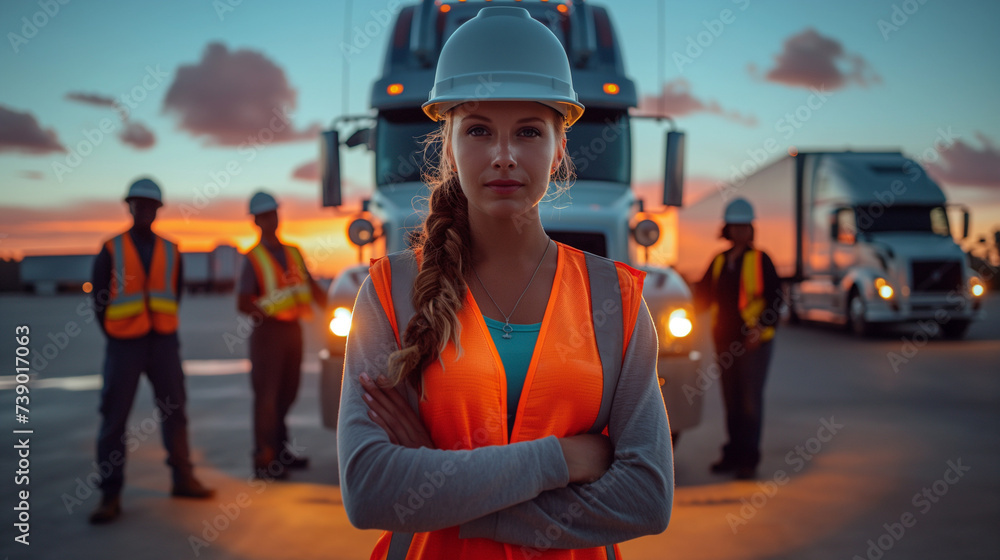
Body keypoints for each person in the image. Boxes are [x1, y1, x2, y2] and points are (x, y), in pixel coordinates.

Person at [337, 7, 673, 559]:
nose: (503, 156)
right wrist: (564, 460)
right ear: (447, 147)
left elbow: (647, 498)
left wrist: (439, 481)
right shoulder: (390, 292)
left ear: (560, 147)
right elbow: (371, 491)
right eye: (477, 130)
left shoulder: (617, 298)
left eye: (528, 131)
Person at [89, 178, 214, 524]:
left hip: (163, 343)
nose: (143, 210)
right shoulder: (111, 249)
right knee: (114, 419)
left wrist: (159, 326)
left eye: (149, 205)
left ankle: (183, 479)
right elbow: (99, 299)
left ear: (158, 210)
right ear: (129, 207)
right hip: (124, 345)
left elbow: (174, 294)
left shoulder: (172, 250)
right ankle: (109, 494)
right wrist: (117, 333)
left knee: (175, 412)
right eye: (138, 204)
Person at [237, 191, 327, 480]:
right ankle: (264, 459)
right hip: (268, 336)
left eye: (272, 213)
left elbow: (312, 288)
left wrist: (343, 305)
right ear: (256, 221)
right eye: (263, 216)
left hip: (292, 332)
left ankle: (280, 451)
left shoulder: (293, 252)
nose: (269, 219)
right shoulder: (253, 258)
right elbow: (242, 302)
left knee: (286, 395)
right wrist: (269, 311)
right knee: (267, 397)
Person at [694, 197, 781, 480]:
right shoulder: (719, 261)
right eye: (735, 226)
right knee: (731, 401)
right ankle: (732, 454)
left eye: (745, 226)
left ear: (750, 229)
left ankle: (749, 459)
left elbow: (775, 300)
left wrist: (759, 329)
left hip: (754, 343)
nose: (740, 231)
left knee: (749, 401)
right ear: (727, 229)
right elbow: (702, 296)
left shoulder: (760, 259)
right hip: (725, 342)